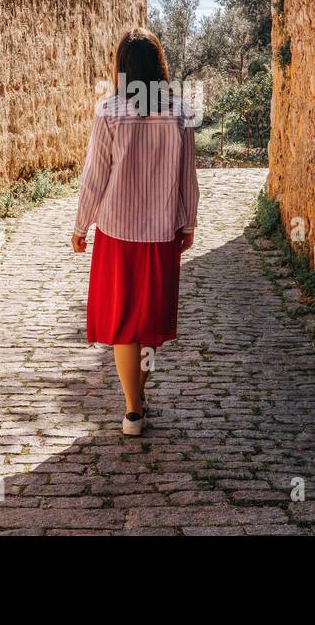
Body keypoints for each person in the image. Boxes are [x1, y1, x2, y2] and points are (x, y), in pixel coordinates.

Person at [70, 28, 199, 436]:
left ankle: (132, 411)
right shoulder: (181, 113)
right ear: (158, 65)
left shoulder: (109, 112)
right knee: (149, 322)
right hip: (161, 232)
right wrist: (188, 222)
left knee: (124, 322)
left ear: (123, 68)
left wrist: (80, 225)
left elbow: (95, 176)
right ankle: (138, 399)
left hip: (118, 232)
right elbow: (187, 178)